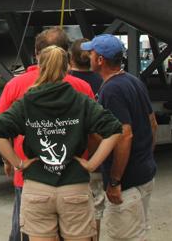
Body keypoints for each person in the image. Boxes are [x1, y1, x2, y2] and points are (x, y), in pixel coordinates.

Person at [0, 46, 123, 241]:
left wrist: (17, 163)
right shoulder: (80, 100)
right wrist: (93, 164)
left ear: (40, 67)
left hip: (38, 188)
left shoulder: (28, 101)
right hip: (74, 187)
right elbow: (114, 129)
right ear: (68, 68)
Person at [83, 34, 158, 241]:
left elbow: (124, 136)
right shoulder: (134, 81)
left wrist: (115, 181)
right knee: (137, 233)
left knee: (124, 236)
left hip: (127, 183)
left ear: (100, 60)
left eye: (91, 53)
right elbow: (153, 123)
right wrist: (144, 156)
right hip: (145, 173)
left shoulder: (112, 90)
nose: (88, 56)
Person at [69, 38, 105, 236]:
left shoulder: (66, 82)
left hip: (70, 157)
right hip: (95, 158)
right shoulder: (103, 82)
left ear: (70, 58)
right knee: (95, 209)